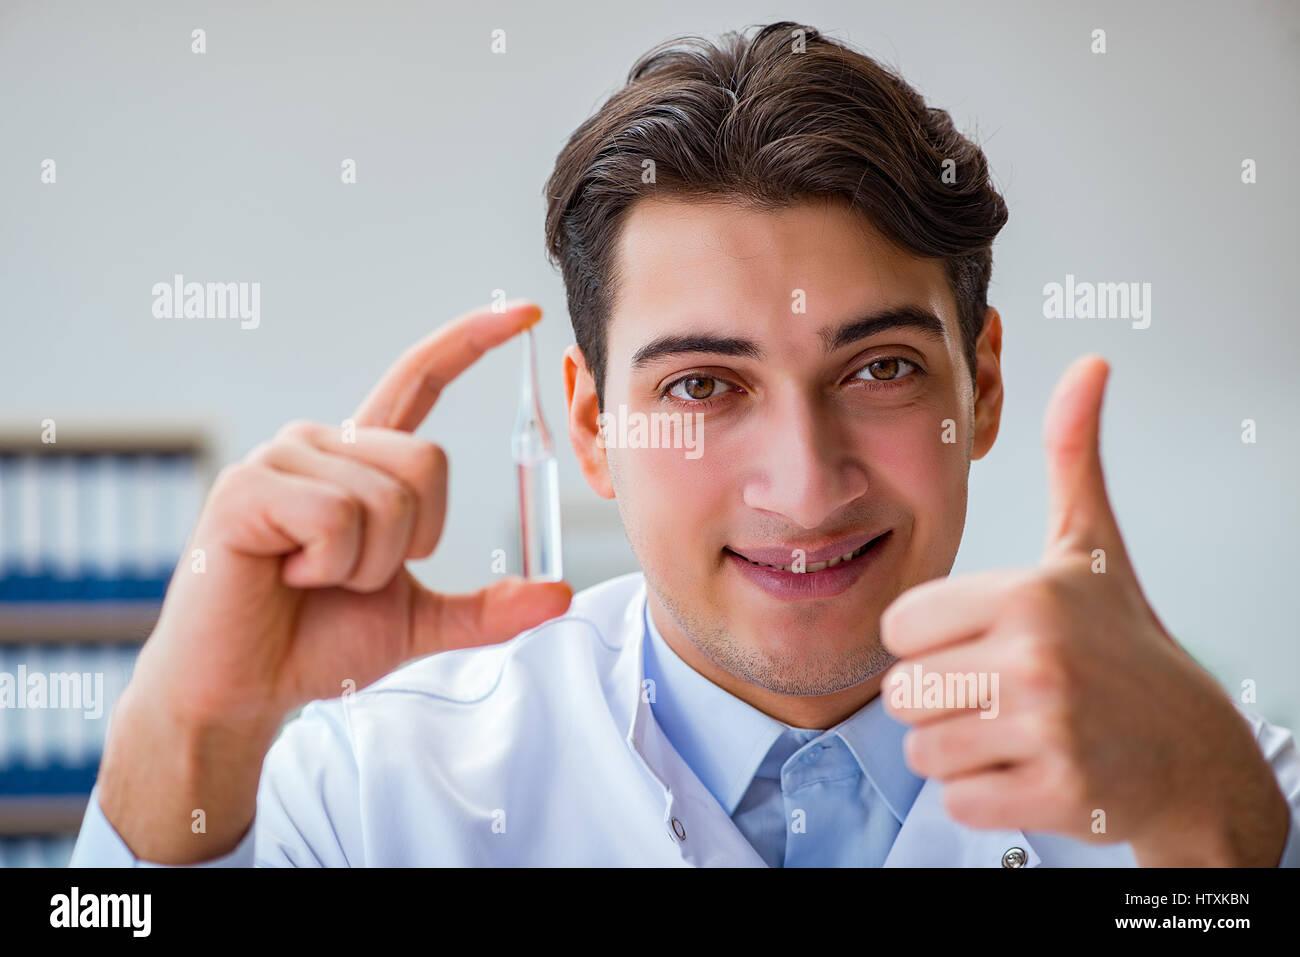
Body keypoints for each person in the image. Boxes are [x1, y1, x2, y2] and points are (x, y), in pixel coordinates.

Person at [71, 21, 1299, 867]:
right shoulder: (371, 795)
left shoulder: (1217, 780)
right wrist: (187, 732)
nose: (805, 485)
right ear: (593, 428)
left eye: (878, 370)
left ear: (976, 388)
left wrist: (1214, 841)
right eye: (705, 385)